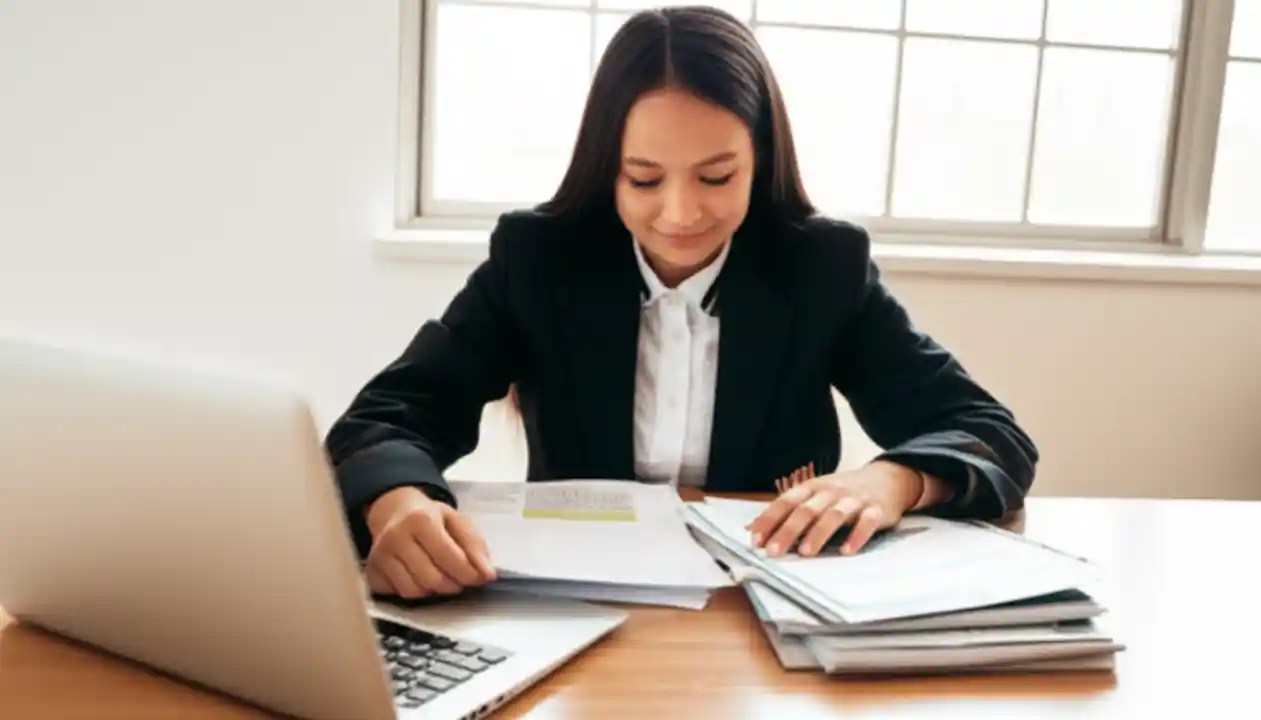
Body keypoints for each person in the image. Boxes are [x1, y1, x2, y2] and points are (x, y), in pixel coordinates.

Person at [325, 6, 1038, 600]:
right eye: (643, 179)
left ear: (759, 158)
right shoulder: (540, 260)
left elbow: (987, 432)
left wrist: (893, 480)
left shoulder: (819, 267)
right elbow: (384, 418)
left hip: (762, 601)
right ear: (607, 169)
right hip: (573, 602)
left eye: (717, 175)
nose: (680, 213)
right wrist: (402, 506)